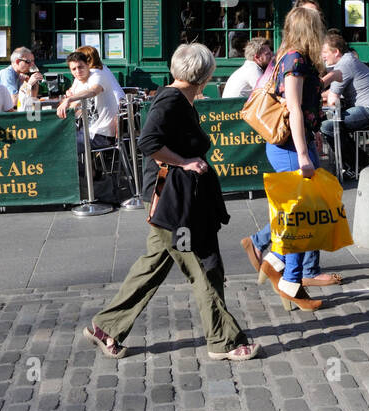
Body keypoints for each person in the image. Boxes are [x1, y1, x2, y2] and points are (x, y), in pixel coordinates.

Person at [82, 44, 258, 361]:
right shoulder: (170, 100)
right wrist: (184, 162)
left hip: (181, 201)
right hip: (175, 204)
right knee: (203, 266)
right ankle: (224, 340)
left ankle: (105, 327)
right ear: (205, 75)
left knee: (154, 266)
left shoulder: (181, 100)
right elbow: (148, 142)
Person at [245, 5, 341, 308]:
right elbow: (294, 109)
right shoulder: (295, 60)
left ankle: (275, 262)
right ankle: (291, 280)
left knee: (299, 214)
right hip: (289, 146)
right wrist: (303, 155)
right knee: (300, 217)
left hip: (293, 144)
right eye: (318, 26)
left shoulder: (292, 57)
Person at [319, 31, 369, 175]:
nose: (323, 56)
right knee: (334, 126)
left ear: (336, 51)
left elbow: (332, 98)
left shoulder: (344, 65)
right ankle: (360, 161)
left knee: (328, 127)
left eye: (325, 52)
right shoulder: (347, 60)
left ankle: (355, 166)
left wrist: (315, 97)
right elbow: (332, 94)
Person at [57, 50, 120, 196]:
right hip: (88, 131)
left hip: (102, 134)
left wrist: (69, 100)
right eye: (74, 69)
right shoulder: (78, 80)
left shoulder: (98, 75)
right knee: (58, 143)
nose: (78, 71)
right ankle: (91, 177)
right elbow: (74, 107)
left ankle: (92, 182)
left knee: (62, 149)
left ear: (87, 65)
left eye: (81, 67)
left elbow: (93, 91)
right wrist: (69, 101)